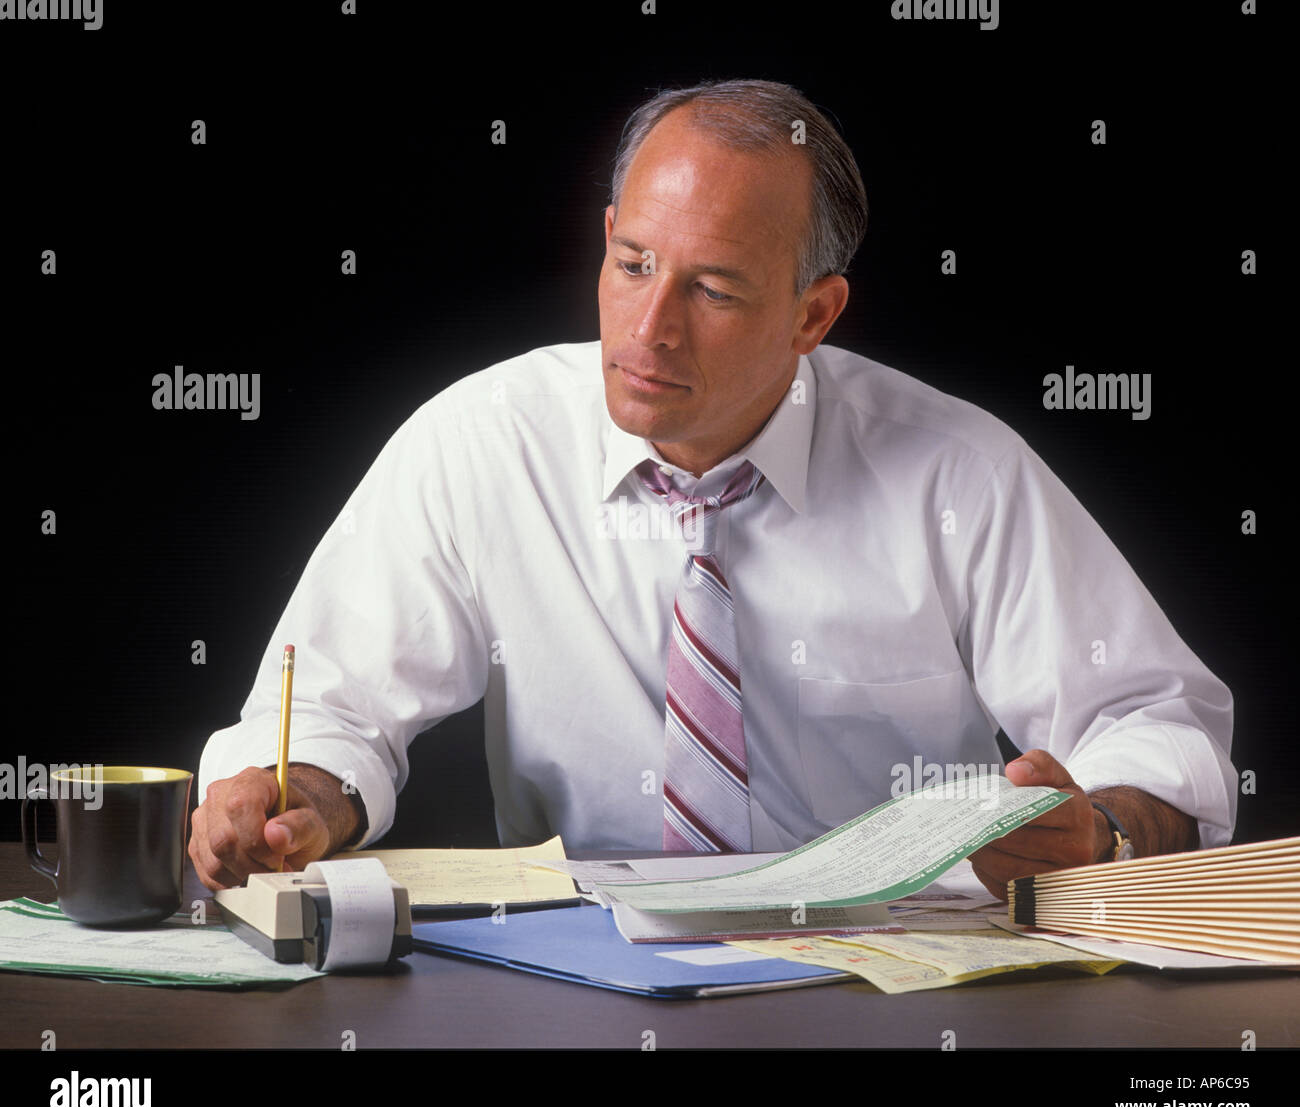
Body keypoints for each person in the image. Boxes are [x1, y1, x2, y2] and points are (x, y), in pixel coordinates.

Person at [191, 80, 1235, 900]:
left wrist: (1097, 829)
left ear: (812, 315)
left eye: (714, 289)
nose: (649, 330)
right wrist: (295, 800)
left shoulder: (956, 471)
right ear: (605, 243)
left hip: (893, 979)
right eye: (635, 265)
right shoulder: (480, 442)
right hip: (577, 973)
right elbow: (327, 710)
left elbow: (1155, 725)